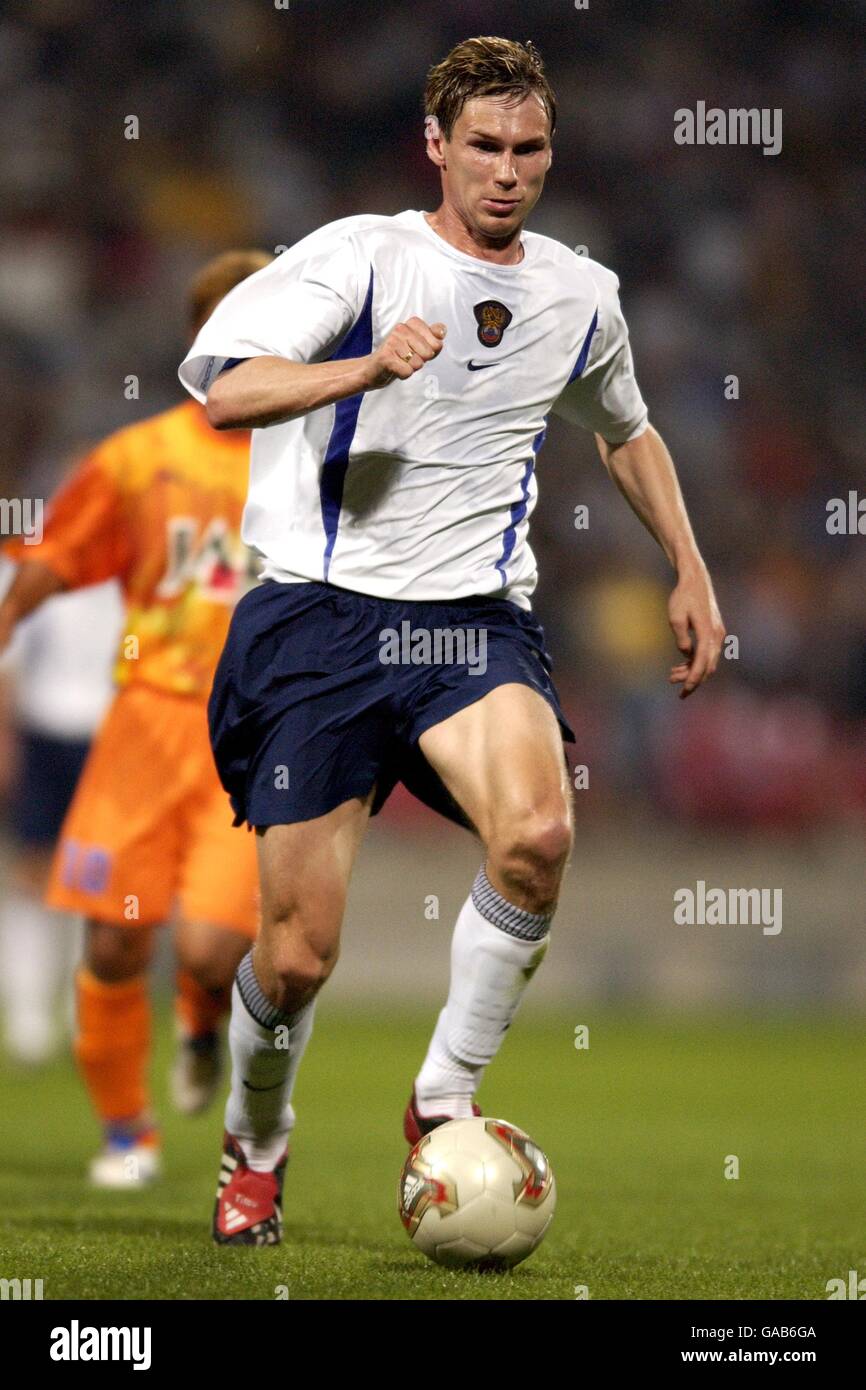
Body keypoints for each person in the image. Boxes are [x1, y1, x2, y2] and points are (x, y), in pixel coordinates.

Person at [178, 37, 725, 1246]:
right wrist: (361, 366)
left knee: (535, 836)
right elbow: (223, 390)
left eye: (528, 149)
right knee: (299, 955)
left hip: (471, 620)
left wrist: (685, 563)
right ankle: (255, 1145)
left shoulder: (581, 292)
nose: (506, 171)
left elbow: (623, 428)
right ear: (435, 144)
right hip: (318, 617)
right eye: (483, 146)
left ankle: (439, 1100)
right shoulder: (360, 257)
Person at [0, 249, 273, 1186]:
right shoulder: (136, 458)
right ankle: (129, 1133)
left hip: (252, 740)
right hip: (145, 729)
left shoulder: (319, 461)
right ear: (201, 342)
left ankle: (201, 1016)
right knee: (115, 938)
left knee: (211, 945)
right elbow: (54, 555)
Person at [0, 570, 122, 1064]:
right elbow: (10, 658)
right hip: (43, 727)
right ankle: (27, 1012)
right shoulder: (34, 567)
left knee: (94, 876)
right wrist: (5, 737)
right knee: (33, 871)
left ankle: (84, 1007)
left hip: (107, 733)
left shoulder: (124, 568)